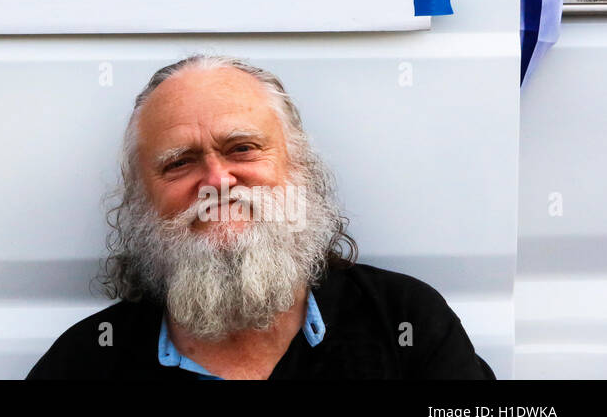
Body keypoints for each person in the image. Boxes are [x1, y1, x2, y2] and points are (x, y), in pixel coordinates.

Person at [27, 54, 495, 380]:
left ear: (300, 168)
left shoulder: (403, 320)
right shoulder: (87, 361)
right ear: (141, 199)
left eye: (243, 149)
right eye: (179, 162)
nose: (218, 180)